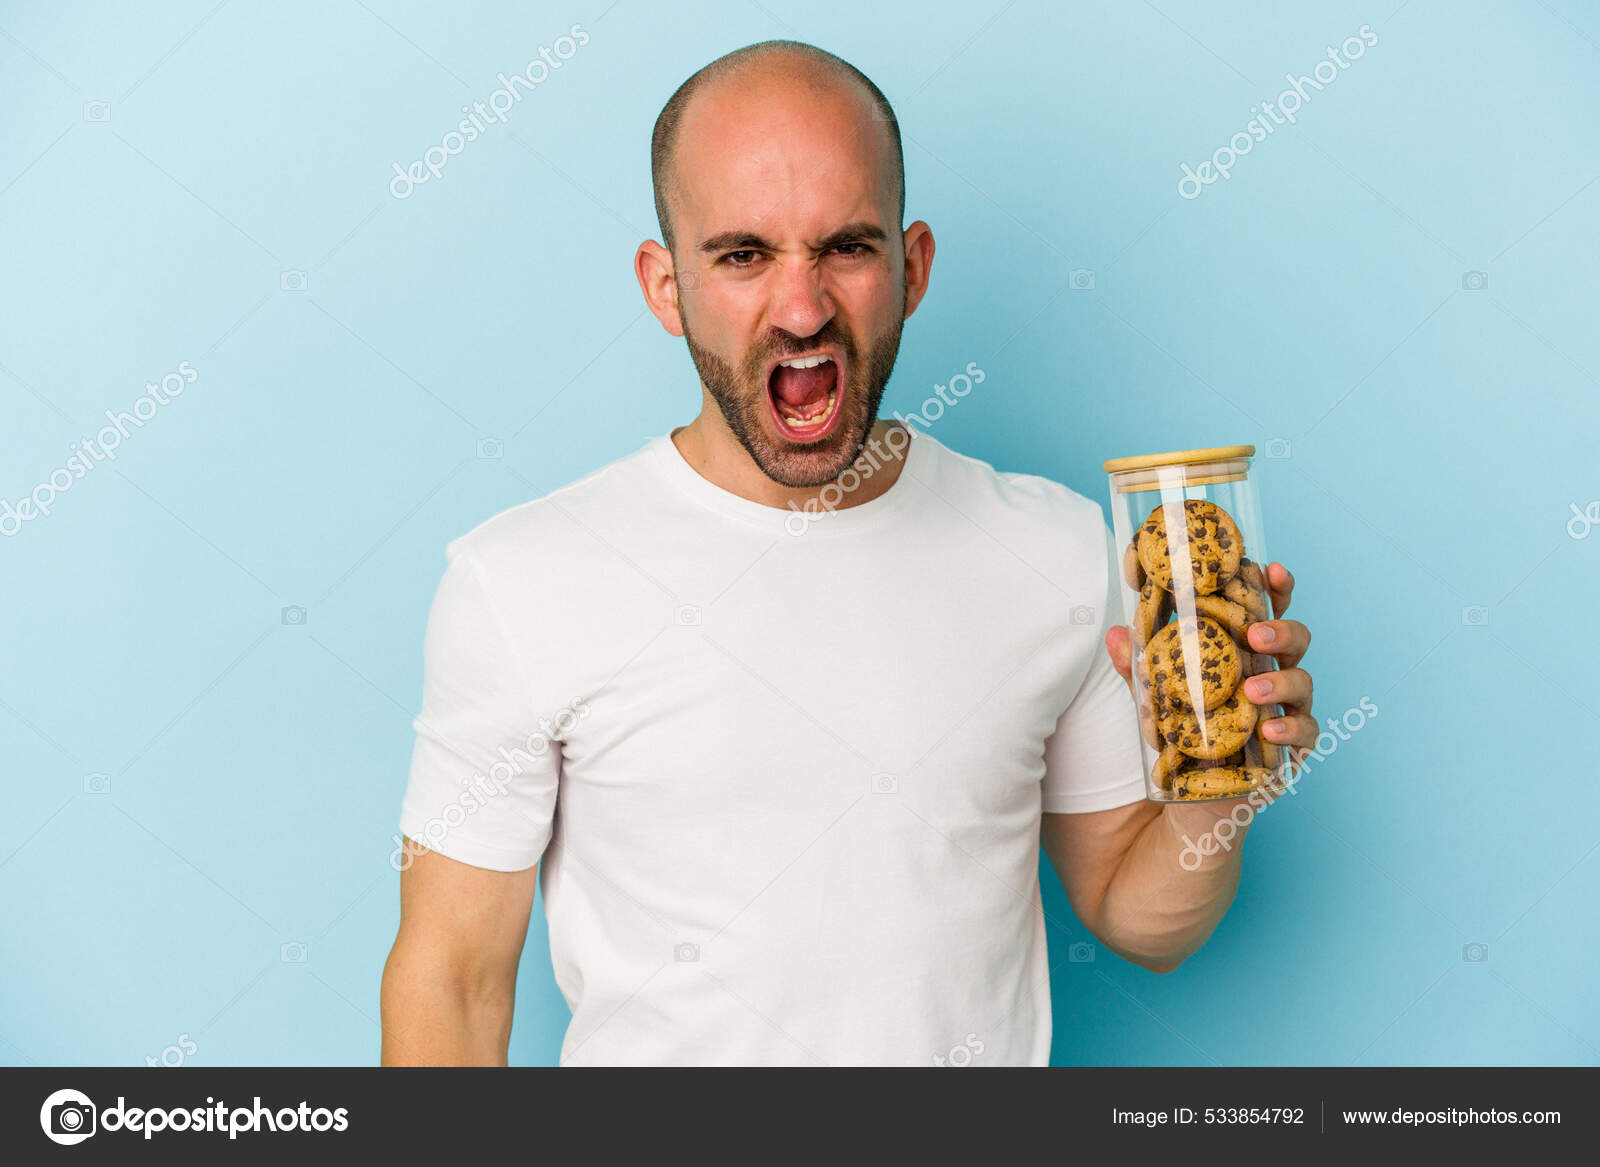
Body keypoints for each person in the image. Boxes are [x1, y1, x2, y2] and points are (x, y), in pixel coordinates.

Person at [380, 40, 1316, 1066]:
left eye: (846, 248)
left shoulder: (1052, 549)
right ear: (665, 285)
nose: (801, 307)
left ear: (911, 268)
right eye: (742, 255)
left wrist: (1223, 786)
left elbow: (1140, 922)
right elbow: (454, 982)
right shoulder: (522, 583)